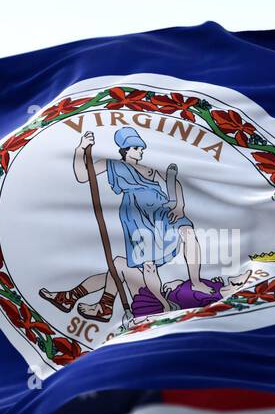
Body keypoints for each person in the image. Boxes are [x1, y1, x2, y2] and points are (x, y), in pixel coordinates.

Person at [40, 128, 210, 322]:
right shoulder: (112, 164)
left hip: (162, 212)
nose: (141, 151)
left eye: (141, 148)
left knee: (186, 234)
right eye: (137, 148)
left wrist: (179, 205)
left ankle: (80, 299)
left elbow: (173, 183)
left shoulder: (149, 168)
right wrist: (81, 149)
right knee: (142, 265)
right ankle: (90, 301)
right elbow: (82, 175)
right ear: (126, 149)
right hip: (137, 216)